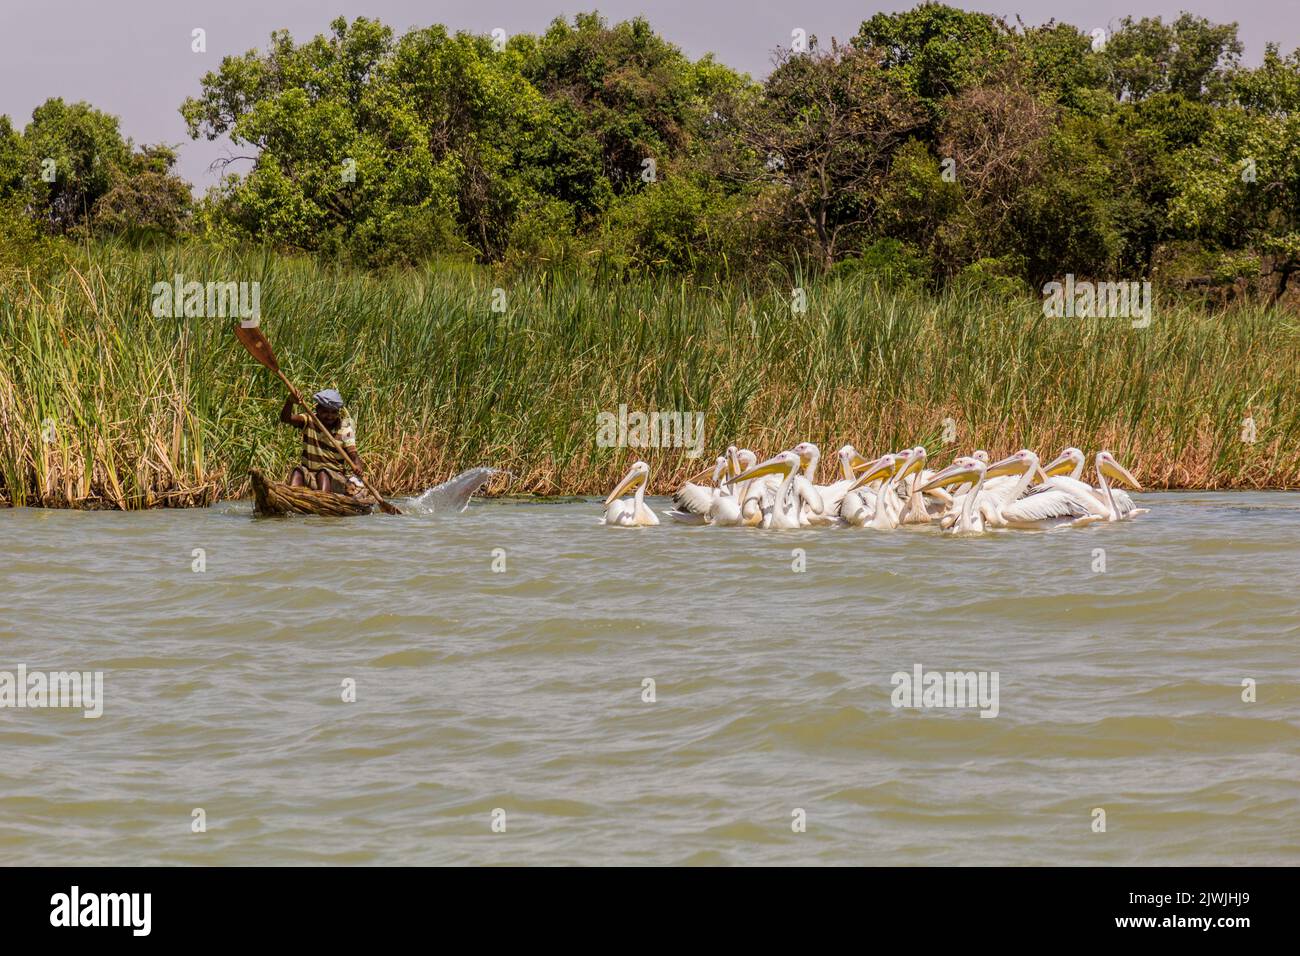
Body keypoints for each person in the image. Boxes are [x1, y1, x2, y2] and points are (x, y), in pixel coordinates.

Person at [280, 389, 365, 494]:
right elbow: (285, 418)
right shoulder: (309, 420)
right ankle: (292, 497)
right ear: (317, 410)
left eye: (333, 412)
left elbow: (353, 453)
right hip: (309, 474)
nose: (329, 416)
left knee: (323, 473)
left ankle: (324, 500)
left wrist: (358, 466)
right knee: (298, 471)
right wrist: (290, 401)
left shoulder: (345, 430)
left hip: (334, 477)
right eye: (325, 412)